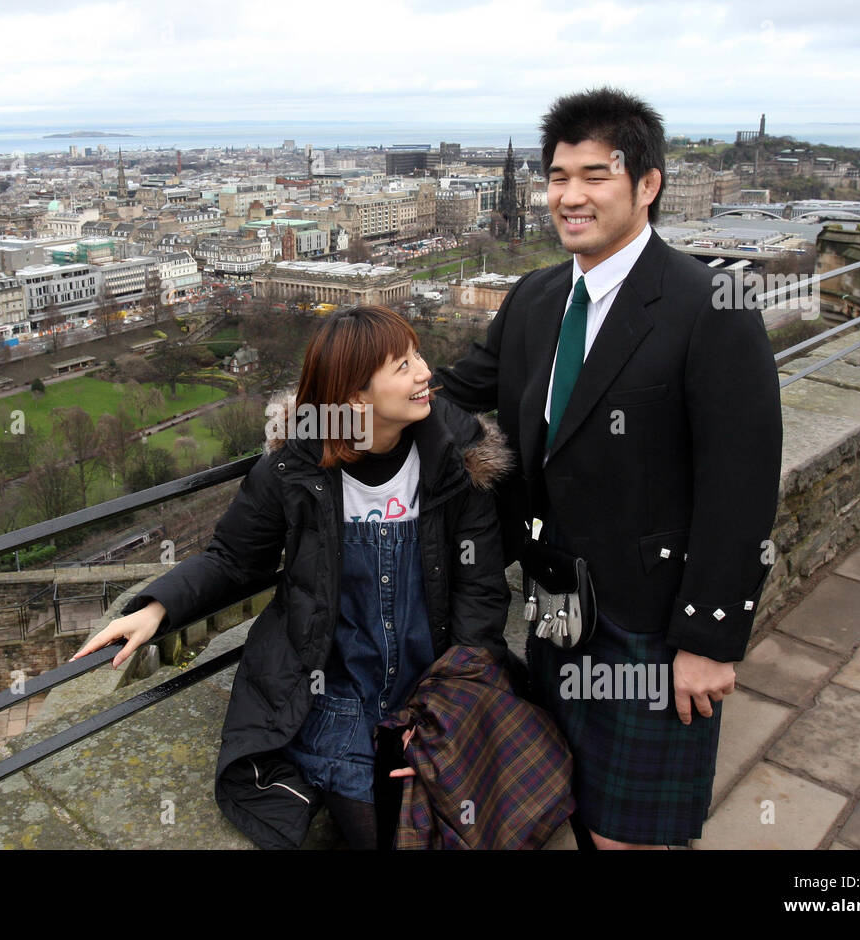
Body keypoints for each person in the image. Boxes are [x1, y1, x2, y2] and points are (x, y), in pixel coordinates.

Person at [434, 87, 783, 849]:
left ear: (646, 184)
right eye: (559, 176)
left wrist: (710, 639)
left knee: (631, 836)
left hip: (652, 621)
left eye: (596, 175)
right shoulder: (535, 298)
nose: (570, 196)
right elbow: (449, 397)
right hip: (558, 609)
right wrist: (333, 412)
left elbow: (742, 487)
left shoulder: (711, 305)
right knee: (572, 804)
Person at [73, 305, 514, 849]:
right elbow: (234, 559)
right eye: (403, 366)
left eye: (417, 354)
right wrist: (155, 609)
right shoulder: (294, 466)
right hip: (335, 692)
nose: (426, 372)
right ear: (355, 397)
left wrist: (451, 716)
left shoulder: (455, 457)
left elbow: (480, 591)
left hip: (433, 683)